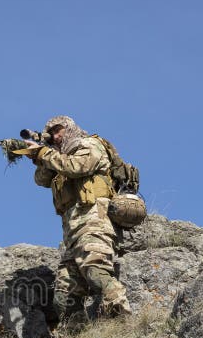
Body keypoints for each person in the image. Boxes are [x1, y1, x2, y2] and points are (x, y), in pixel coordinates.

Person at [21, 115, 132, 326]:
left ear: (70, 127)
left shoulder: (90, 144)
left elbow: (76, 167)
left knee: (95, 270)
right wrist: (38, 155)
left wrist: (44, 152)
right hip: (72, 232)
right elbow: (41, 179)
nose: (55, 135)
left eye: (57, 130)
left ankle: (124, 322)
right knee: (65, 292)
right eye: (51, 133)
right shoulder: (58, 156)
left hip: (94, 219)